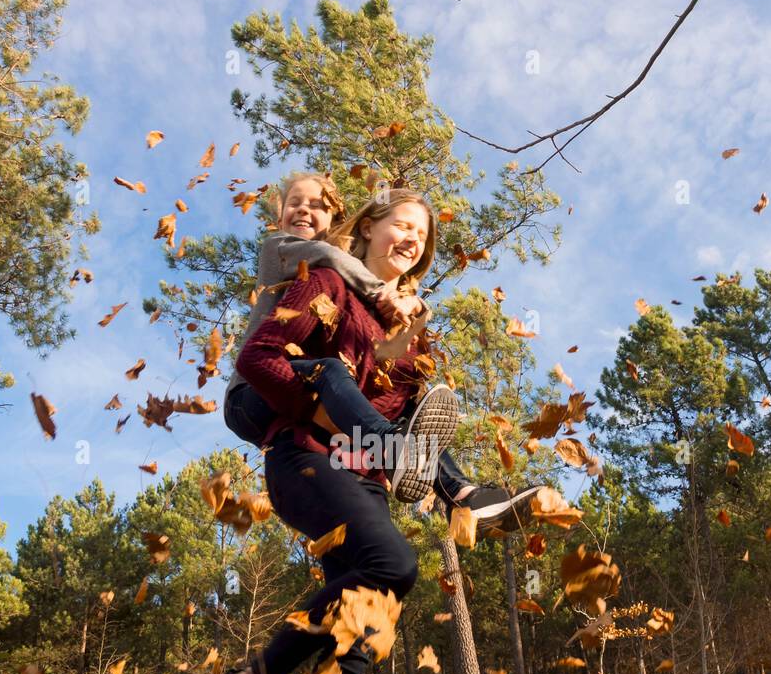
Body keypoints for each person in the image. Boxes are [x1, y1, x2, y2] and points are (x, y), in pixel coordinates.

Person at [207, 189, 443, 674]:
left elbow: (410, 420)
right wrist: (315, 411)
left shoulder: (414, 340)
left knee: (370, 612)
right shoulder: (327, 283)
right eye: (402, 224)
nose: (413, 239)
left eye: (423, 235)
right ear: (365, 230)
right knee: (395, 564)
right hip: (305, 456)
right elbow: (257, 359)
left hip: (368, 479)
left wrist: (436, 474)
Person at [223, 172, 546, 530]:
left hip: (301, 394)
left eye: (317, 205)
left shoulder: (337, 275)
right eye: (294, 203)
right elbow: (329, 253)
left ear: (332, 220)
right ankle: (393, 448)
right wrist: (382, 291)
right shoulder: (283, 247)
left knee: (403, 408)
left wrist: (405, 332)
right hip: (252, 394)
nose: (303, 211)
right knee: (331, 372)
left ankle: (462, 495)